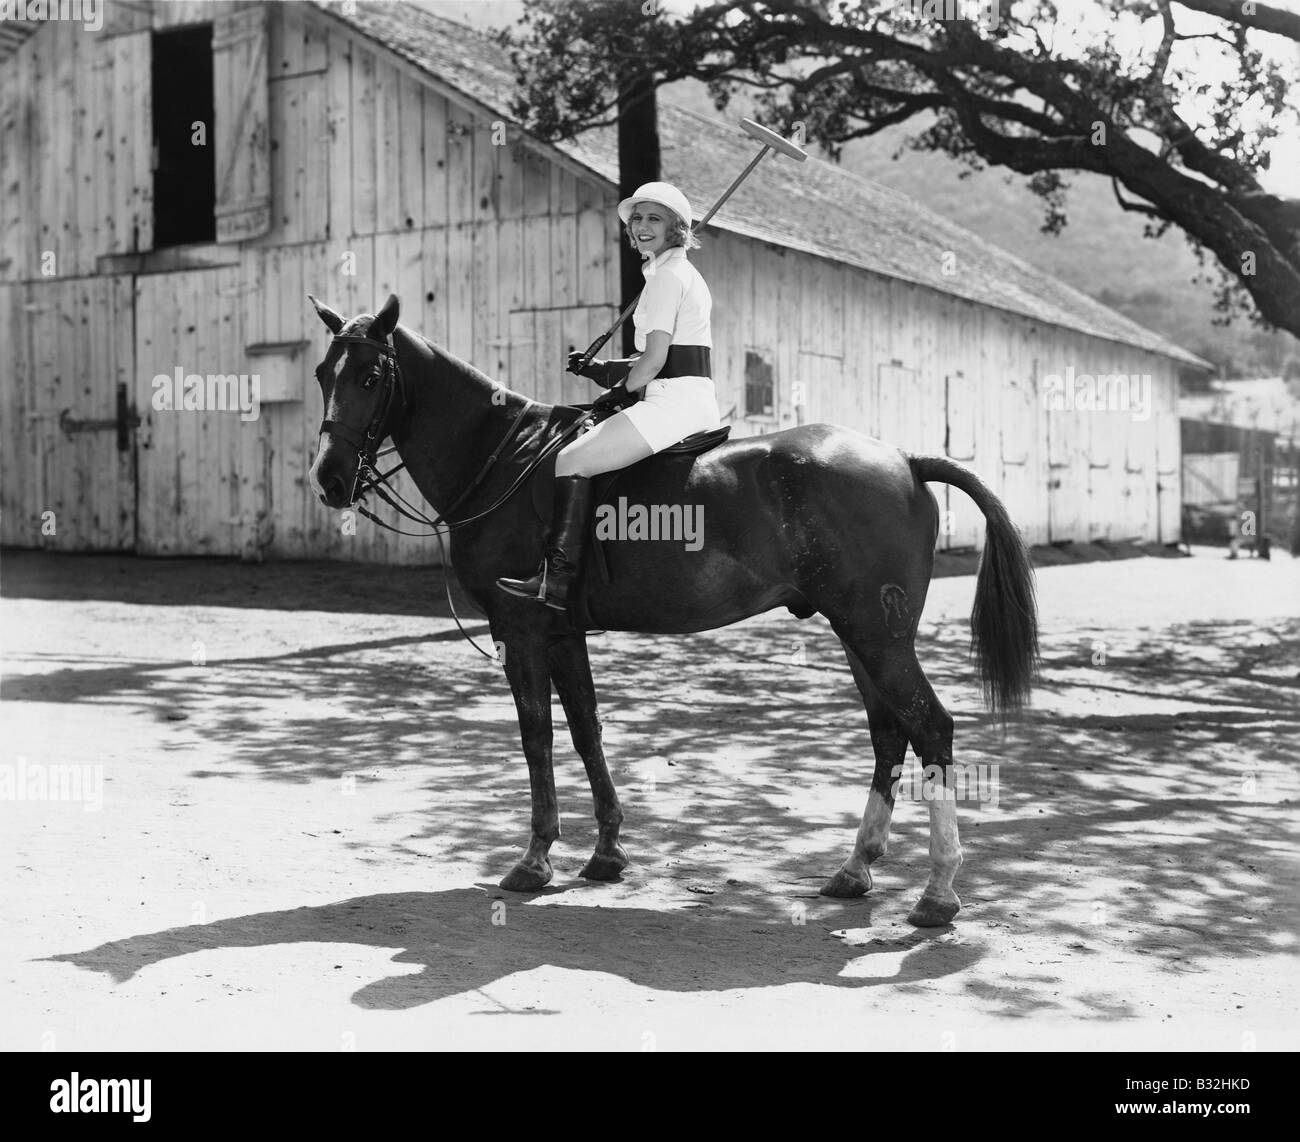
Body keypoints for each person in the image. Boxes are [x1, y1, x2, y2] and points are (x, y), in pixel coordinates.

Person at [497, 181, 722, 610]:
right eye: (637, 218)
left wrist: (619, 391)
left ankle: (558, 583)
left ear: (677, 228)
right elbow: (672, 356)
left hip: (672, 403)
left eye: (654, 218)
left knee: (570, 459)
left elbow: (653, 363)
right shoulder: (679, 274)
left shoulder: (665, 279)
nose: (640, 226)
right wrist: (603, 372)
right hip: (688, 395)